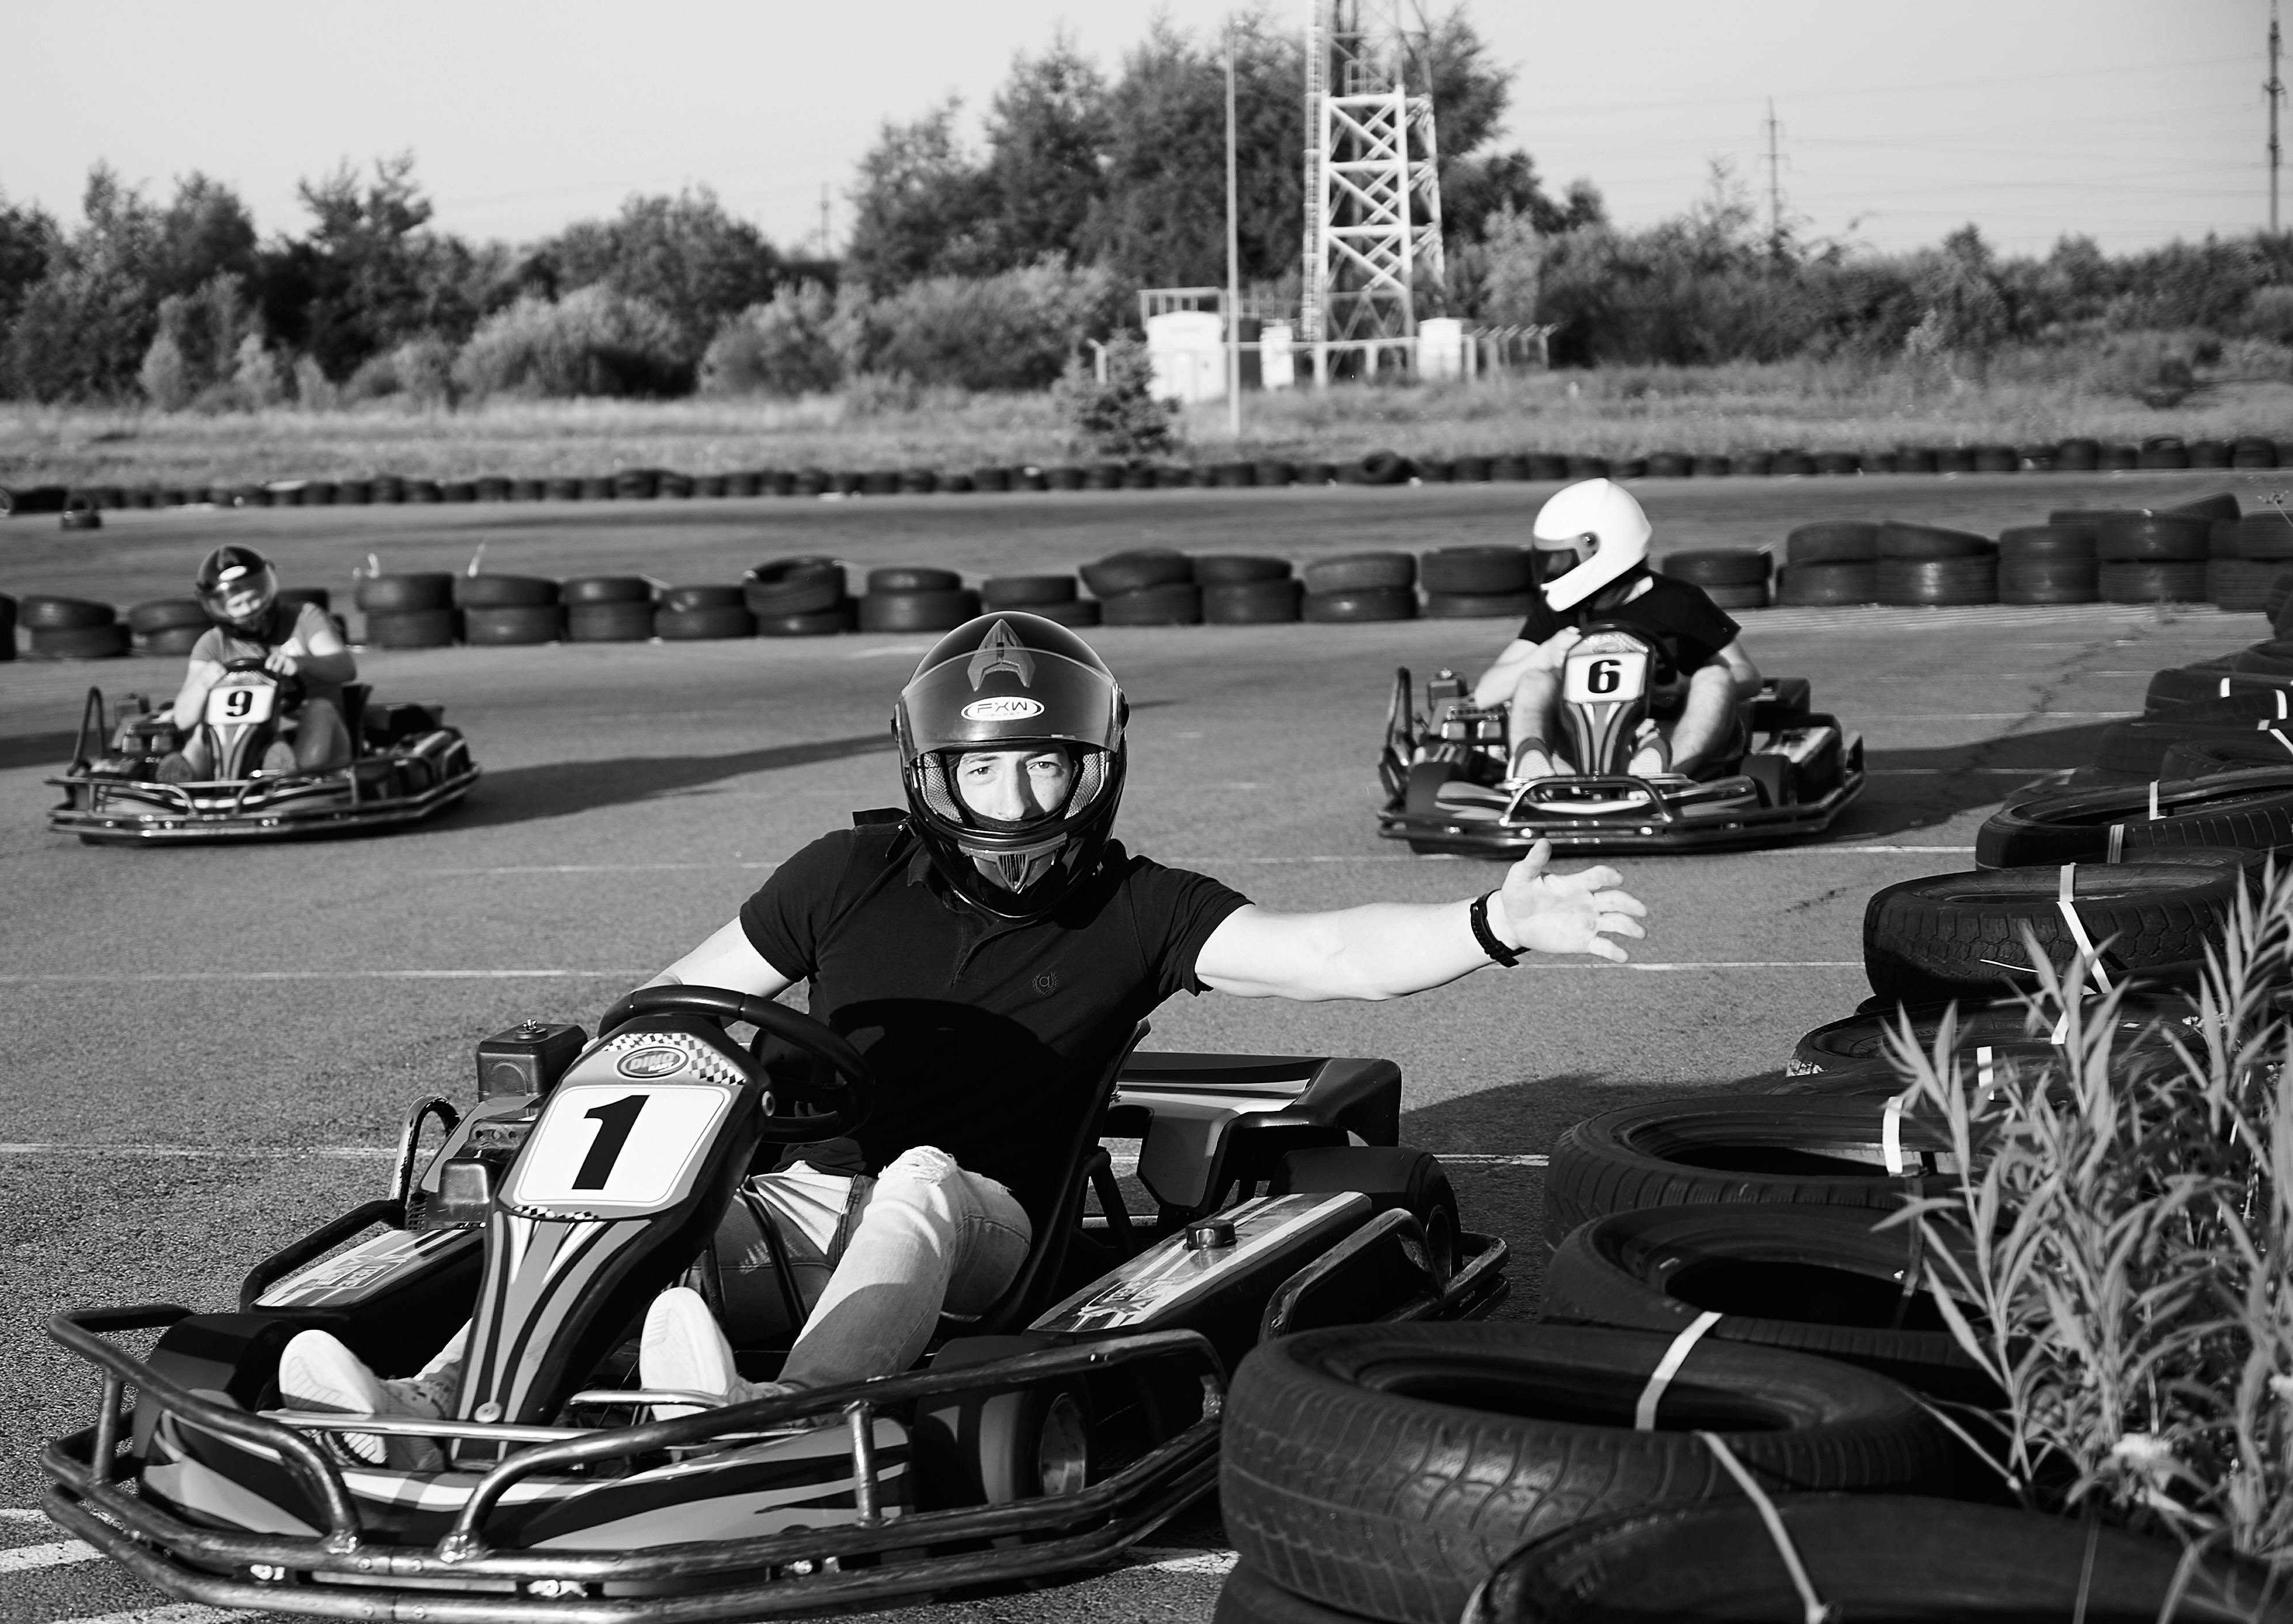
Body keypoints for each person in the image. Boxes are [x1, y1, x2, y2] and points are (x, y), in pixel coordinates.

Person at [280, 613, 1645, 1461]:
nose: (1016, 789)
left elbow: (1329, 953)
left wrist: (1495, 922)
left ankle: (787, 1425)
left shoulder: (1139, 907)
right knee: (675, 1191)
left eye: (1044, 760)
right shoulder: (841, 875)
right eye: (986, 765)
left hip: (985, 1231)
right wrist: (589, 1112)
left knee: (923, 1175)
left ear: (1089, 766)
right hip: (808, 1201)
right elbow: (676, 1009)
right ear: (935, 770)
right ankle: (430, 1397)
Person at [1470, 479, 1760, 781]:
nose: (1553, 570)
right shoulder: (1559, 610)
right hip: (1579, 746)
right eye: (1549, 560)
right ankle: (1533, 774)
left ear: (1603, 547)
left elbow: (1747, 675)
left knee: (1715, 677)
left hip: (1664, 735)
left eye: (1561, 559)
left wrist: (1685, 684)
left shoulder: (1679, 601)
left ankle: (1659, 776)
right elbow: (1486, 693)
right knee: (1533, 680)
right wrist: (1544, 655)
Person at [159, 544, 356, 782]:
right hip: (244, 744)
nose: (250, 612)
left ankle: (290, 779)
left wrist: (302, 664)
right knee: (203, 729)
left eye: (253, 600)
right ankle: (182, 782)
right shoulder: (213, 644)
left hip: (314, 739)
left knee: (320, 708)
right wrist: (203, 683)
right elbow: (183, 718)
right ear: (219, 608)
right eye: (238, 605)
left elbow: (345, 667)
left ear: (267, 590)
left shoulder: (304, 617)